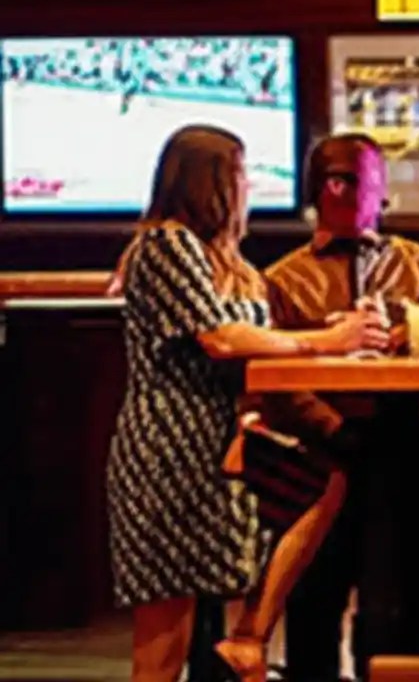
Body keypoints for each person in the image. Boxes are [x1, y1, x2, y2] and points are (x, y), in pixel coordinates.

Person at [105, 125, 388, 681]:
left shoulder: (223, 257)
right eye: (240, 172)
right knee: (163, 641)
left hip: (218, 439)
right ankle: (246, 641)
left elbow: (260, 336)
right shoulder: (167, 243)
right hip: (169, 446)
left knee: (325, 482)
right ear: (209, 180)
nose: (249, 184)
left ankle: (247, 640)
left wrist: (332, 336)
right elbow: (222, 338)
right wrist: (329, 342)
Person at [260, 133, 419, 681]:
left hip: (411, 445)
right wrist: (332, 428)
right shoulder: (279, 279)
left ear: (384, 191)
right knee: (313, 604)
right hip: (320, 455)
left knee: (403, 607)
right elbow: (270, 379)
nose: (339, 189)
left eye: (354, 177)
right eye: (330, 178)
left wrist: (414, 334)